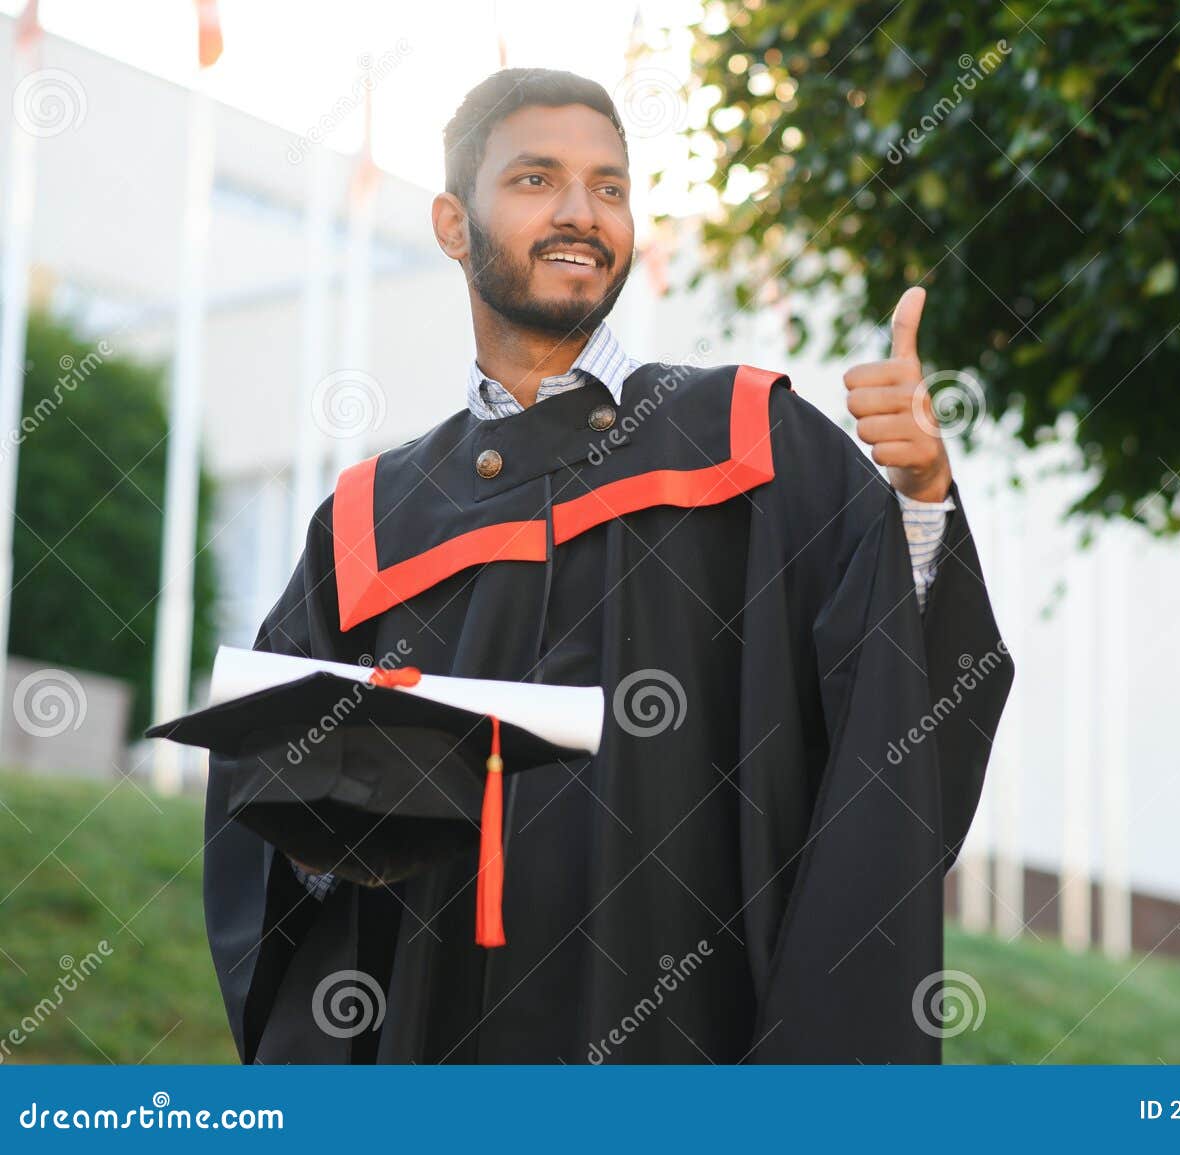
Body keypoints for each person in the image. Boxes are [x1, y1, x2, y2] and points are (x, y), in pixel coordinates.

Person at [201, 68, 1012, 1064]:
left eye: (611, 187)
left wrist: (923, 497)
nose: (581, 213)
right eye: (537, 180)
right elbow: (266, 835)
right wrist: (336, 835)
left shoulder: (752, 441)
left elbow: (896, 700)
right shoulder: (377, 520)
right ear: (454, 224)